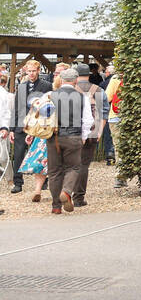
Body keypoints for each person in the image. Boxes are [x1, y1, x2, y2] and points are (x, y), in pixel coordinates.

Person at [48, 69, 94, 213]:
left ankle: (56, 206)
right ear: (75, 81)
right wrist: (84, 136)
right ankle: (67, 191)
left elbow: (42, 116)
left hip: (53, 137)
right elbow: (88, 120)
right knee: (74, 167)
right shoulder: (82, 97)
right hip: (73, 136)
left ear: (61, 80)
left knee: (54, 171)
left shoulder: (49, 95)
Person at [4, 60, 52, 194]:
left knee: (40, 154)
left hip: (38, 126)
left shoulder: (47, 86)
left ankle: (43, 181)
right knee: (18, 155)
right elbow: (16, 108)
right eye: (29, 71)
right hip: (21, 126)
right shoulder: (22, 86)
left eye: (34, 71)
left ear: (38, 71)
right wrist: (12, 129)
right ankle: (18, 183)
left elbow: (49, 107)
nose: (31, 74)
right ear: (26, 71)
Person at [71, 64, 108, 208]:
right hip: (92, 131)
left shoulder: (70, 90)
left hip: (72, 132)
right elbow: (104, 113)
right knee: (83, 164)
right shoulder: (99, 90)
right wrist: (100, 131)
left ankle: (66, 191)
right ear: (89, 74)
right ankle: (79, 198)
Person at [17, 77, 58, 203]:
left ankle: (37, 189)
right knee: (57, 164)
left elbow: (37, 115)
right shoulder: (71, 95)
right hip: (59, 134)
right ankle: (58, 192)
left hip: (43, 134)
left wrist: (33, 133)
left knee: (39, 161)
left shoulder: (47, 96)